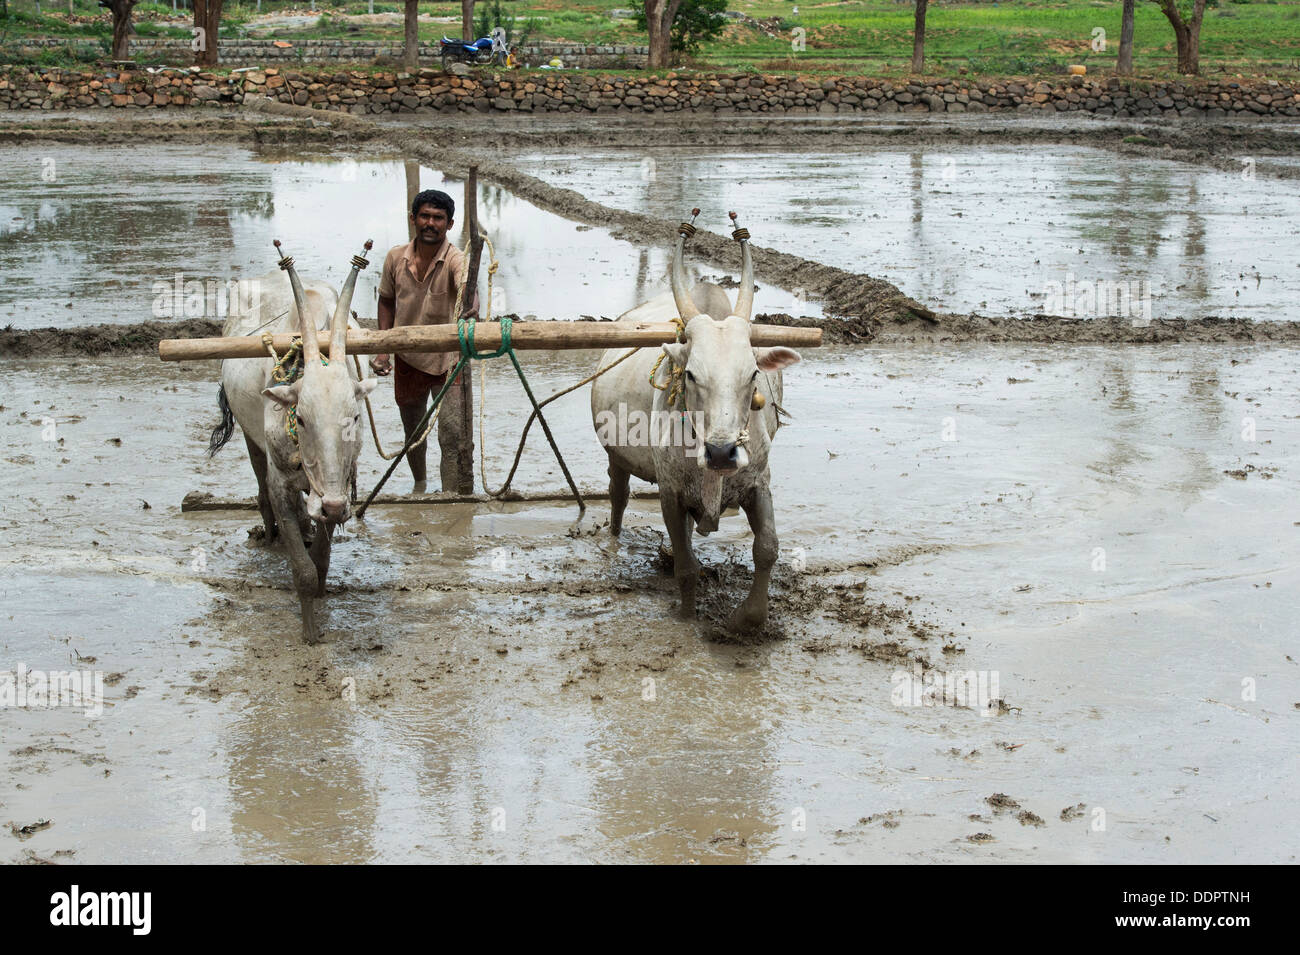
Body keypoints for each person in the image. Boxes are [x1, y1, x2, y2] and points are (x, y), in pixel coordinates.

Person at [370, 189, 477, 493]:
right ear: (413, 219)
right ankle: (420, 485)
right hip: (408, 357)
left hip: (448, 360)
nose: (431, 223)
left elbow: (467, 285)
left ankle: (450, 495)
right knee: (414, 431)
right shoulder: (395, 257)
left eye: (438, 218)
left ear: (450, 224)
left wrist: (472, 305)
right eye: (425, 216)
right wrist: (383, 350)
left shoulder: (457, 259)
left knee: (452, 434)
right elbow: (386, 301)